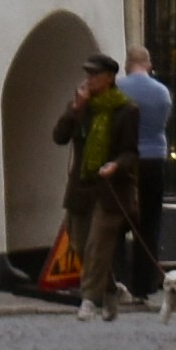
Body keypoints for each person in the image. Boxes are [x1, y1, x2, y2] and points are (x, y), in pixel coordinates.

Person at [109, 39, 176, 306]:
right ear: (148, 65)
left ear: (127, 65)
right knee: (149, 222)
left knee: (116, 218)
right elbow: (163, 122)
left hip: (125, 161)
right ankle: (144, 285)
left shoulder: (118, 90)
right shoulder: (162, 93)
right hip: (154, 158)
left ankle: (117, 280)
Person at [65, 58, 132, 315]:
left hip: (111, 190)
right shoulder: (83, 107)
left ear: (109, 79)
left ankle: (89, 300)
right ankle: (112, 290)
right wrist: (75, 109)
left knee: (97, 246)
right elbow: (59, 136)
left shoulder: (126, 111)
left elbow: (131, 152)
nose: (89, 79)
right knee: (80, 245)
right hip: (81, 188)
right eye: (87, 74)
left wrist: (116, 165)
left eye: (95, 75)